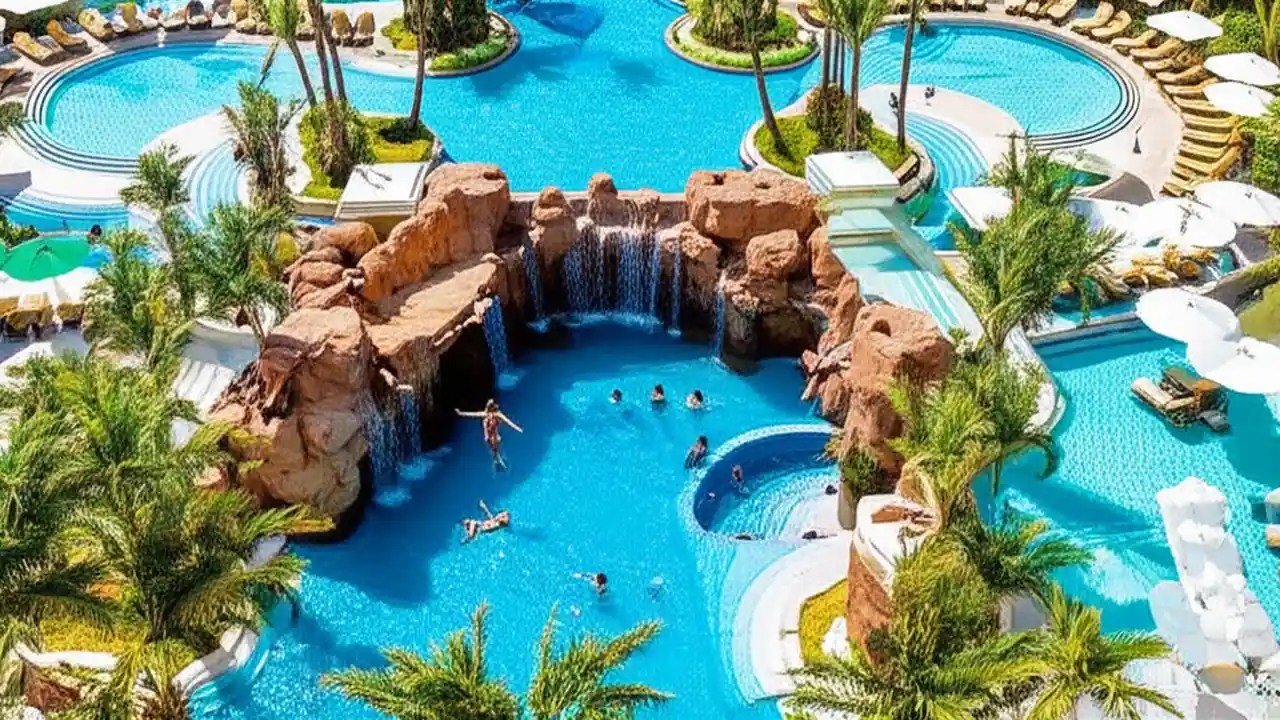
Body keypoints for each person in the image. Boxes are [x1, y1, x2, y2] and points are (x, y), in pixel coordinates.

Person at [456, 400, 523, 470]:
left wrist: (517, 428)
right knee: (494, 451)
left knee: (495, 450)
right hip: (488, 436)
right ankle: (498, 461)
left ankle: (500, 462)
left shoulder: (497, 415)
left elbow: (508, 422)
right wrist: (460, 413)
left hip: (494, 435)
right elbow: (472, 414)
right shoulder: (485, 414)